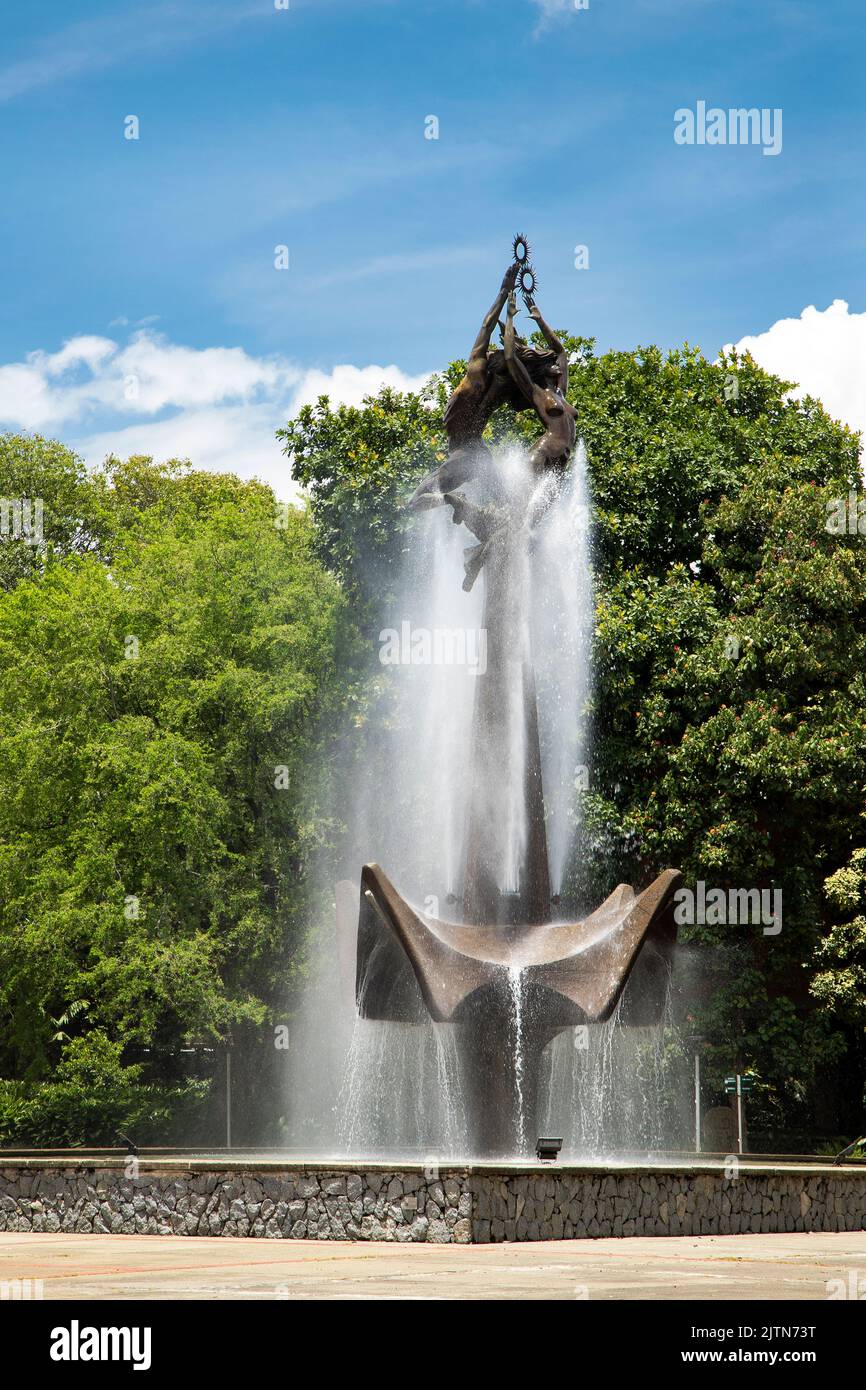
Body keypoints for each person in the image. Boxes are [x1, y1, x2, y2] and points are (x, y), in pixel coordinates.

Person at [407, 263, 520, 509]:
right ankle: (453, 502)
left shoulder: (490, 378)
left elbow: (490, 329)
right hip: (470, 452)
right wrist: (504, 297)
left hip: (471, 451)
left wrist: (506, 301)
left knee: (508, 501)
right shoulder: (487, 378)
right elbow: (488, 327)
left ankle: (458, 505)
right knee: (418, 500)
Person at [504, 290, 576, 477]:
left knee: (546, 507)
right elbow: (511, 358)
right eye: (552, 364)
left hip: (562, 459)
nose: (558, 366)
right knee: (524, 504)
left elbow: (561, 352)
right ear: (544, 369)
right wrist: (509, 317)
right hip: (542, 454)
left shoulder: (560, 393)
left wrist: (539, 319)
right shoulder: (536, 392)